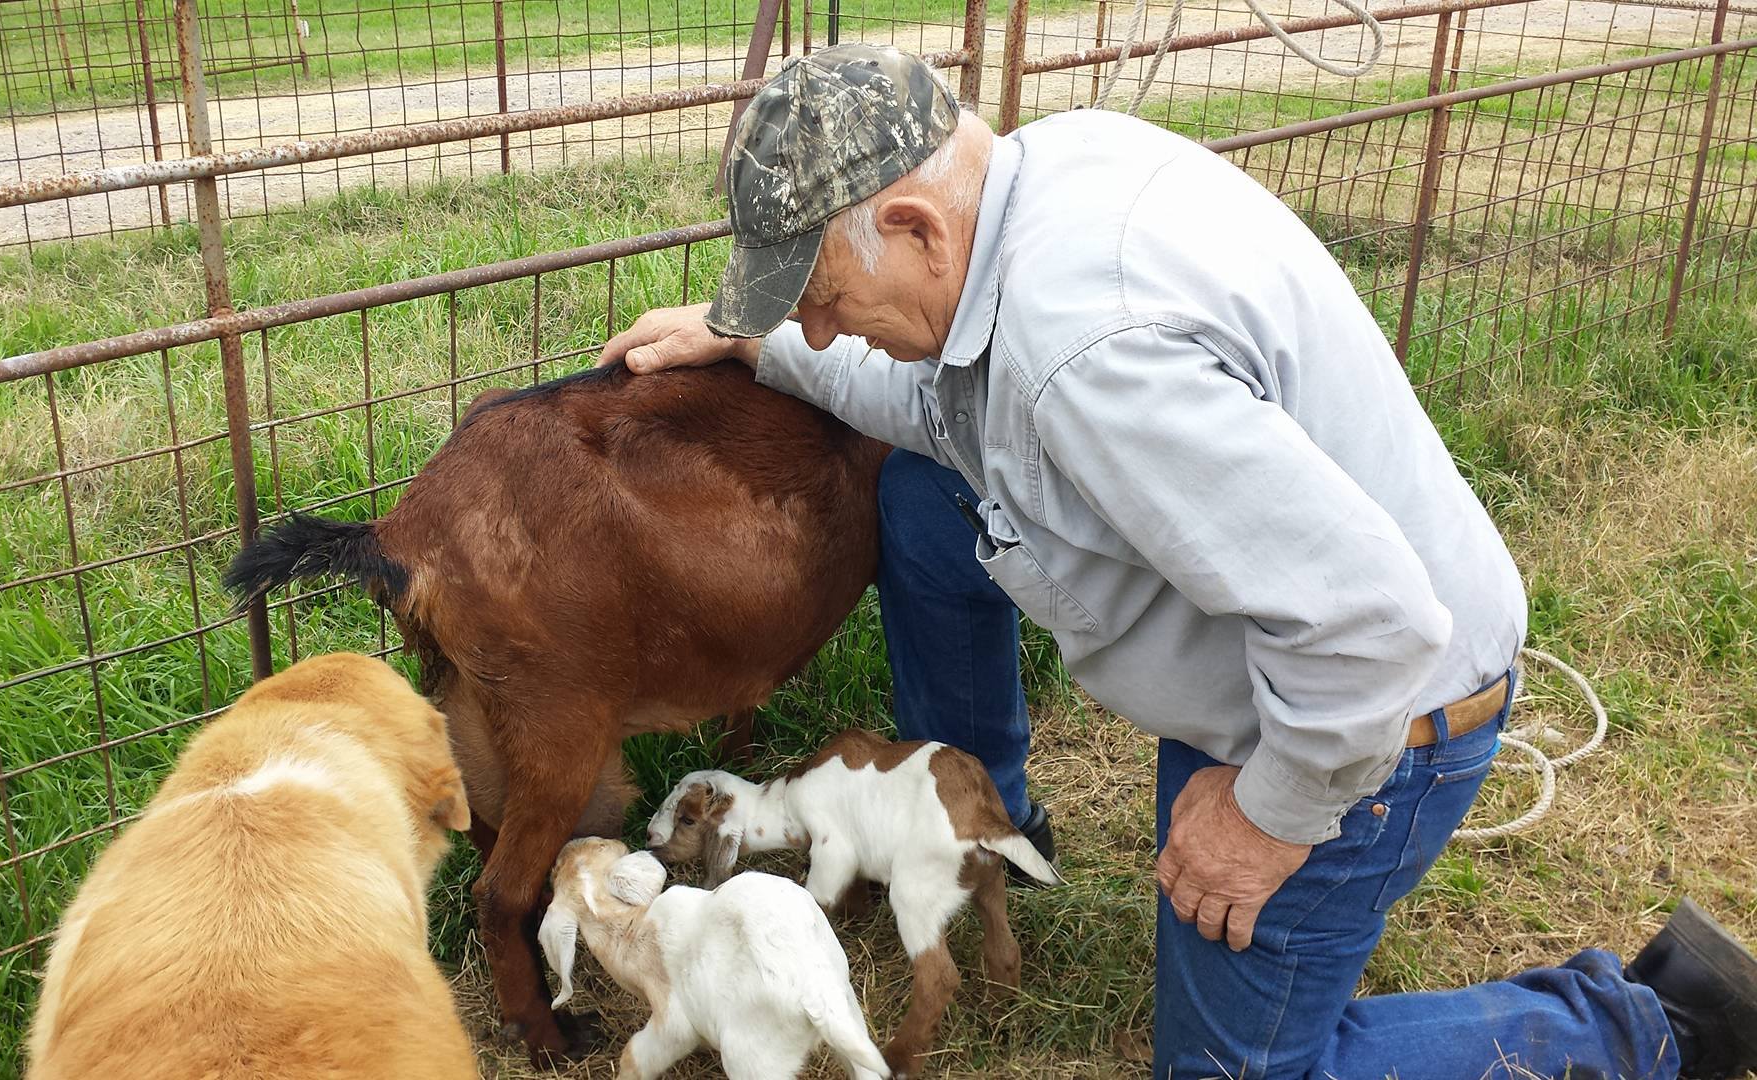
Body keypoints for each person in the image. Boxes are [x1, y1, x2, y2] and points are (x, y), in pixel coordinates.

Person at [597, 42, 1757, 1080]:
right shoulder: (1035, 177)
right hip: (1291, 647)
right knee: (924, 497)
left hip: (1370, 719)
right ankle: (992, 804)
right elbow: (943, 413)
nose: (825, 331)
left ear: (915, 228)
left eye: (825, 301)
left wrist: (1266, 817)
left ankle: (1652, 1024)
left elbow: (1371, 631)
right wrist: (756, 345)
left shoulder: (1090, 359)